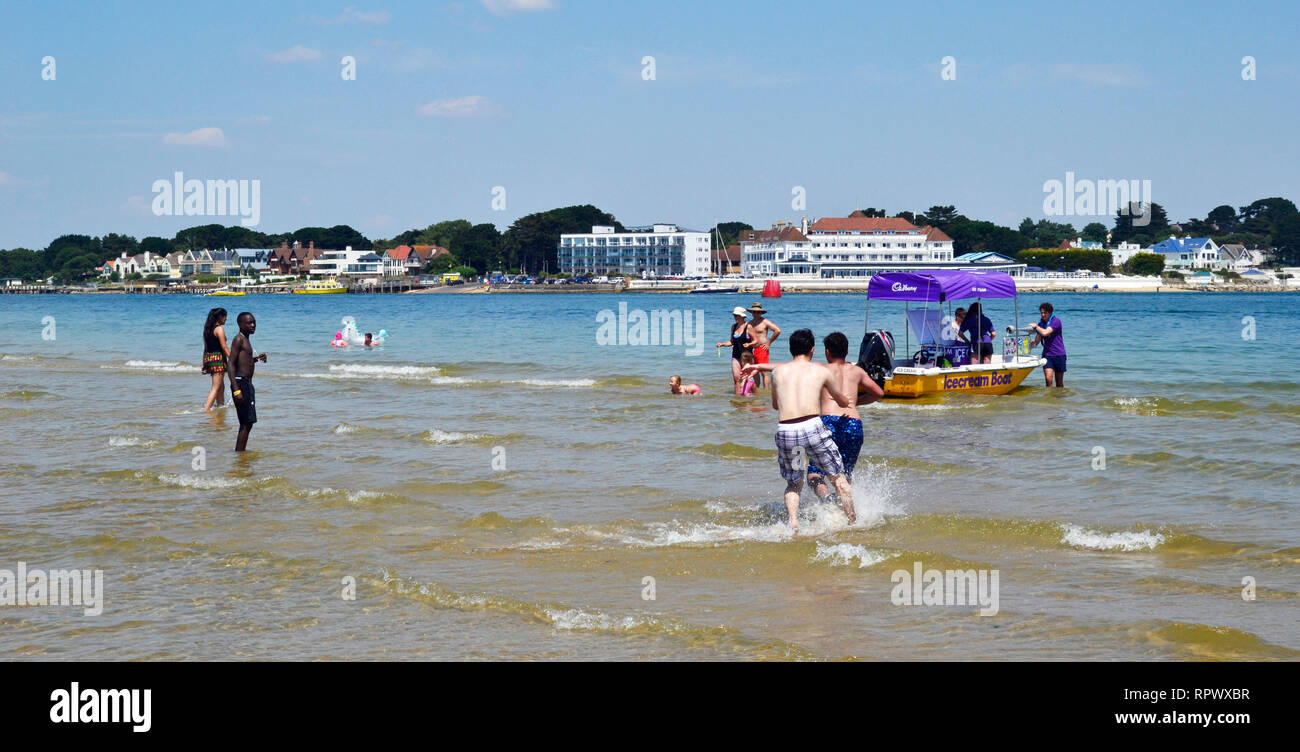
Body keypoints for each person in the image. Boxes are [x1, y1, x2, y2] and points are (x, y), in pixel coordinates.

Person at [743, 332, 884, 503]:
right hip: (854, 424)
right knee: (843, 475)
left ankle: (827, 500)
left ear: (827, 352)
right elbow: (878, 392)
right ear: (847, 351)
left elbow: (792, 366)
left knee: (814, 475)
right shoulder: (857, 371)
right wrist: (856, 403)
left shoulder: (820, 368)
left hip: (828, 423)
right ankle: (844, 511)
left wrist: (760, 366)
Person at [768, 329, 857, 533]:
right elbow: (841, 400)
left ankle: (794, 525)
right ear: (812, 349)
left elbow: (775, 405)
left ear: (791, 349)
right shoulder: (820, 371)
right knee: (837, 477)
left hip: (787, 432)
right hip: (812, 428)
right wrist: (847, 401)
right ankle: (852, 521)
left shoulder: (777, 372)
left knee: (794, 483)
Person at [227, 312, 267, 452]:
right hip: (241, 384)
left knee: (248, 422)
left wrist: (256, 359)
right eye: (249, 323)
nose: (253, 325)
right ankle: (240, 454)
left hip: (246, 383)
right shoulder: (239, 339)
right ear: (240, 324)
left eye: (254, 322)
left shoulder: (246, 339)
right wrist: (236, 389)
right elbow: (230, 364)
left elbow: (241, 362)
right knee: (246, 423)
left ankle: (240, 453)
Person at [715, 306, 753, 396]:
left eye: (737, 316)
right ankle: (737, 398)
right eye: (734, 316)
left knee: (748, 378)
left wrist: (750, 344)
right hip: (735, 355)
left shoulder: (749, 327)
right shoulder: (733, 327)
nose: (735, 317)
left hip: (747, 357)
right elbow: (732, 342)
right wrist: (723, 344)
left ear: (742, 316)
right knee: (736, 378)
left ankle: (754, 395)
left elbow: (756, 340)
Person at [1028, 302, 1066, 387]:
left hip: (1059, 354)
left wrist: (1036, 327)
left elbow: (1045, 333)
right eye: (1041, 313)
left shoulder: (1056, 321)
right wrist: (1027, 345)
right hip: (1047, 355)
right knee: (1048, 379)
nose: (1043, 315)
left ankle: (1059, 398)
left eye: (1045, 313)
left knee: (1059, 383)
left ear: (1050, 312)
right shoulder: (1041, 324)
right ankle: (1049, 398)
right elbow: (1036, 342)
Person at [746, 302, 781, 390]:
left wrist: (769, 342)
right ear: (751, 312)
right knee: (755, 371)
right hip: (751, 349)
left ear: (761, 313)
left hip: (762, 348)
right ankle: (757, 390)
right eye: (754, 312)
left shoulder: (765, 322)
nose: (756, 314)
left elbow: (777, 330)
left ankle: (766, 391)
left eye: (758, 312)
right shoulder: (749, 323)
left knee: (764, 372)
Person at [202, 308, 231, 412]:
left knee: (220, 386)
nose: (226, 319)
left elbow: (206, 348)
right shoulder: (219, 329)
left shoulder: (207, 329)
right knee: (215, 387)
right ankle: (206, 410)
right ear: (220, 317)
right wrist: (233, 359)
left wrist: (204, 363)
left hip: (210, 358)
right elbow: (224, 347)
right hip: (218, 359)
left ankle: (220, 406)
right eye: (225, 316)